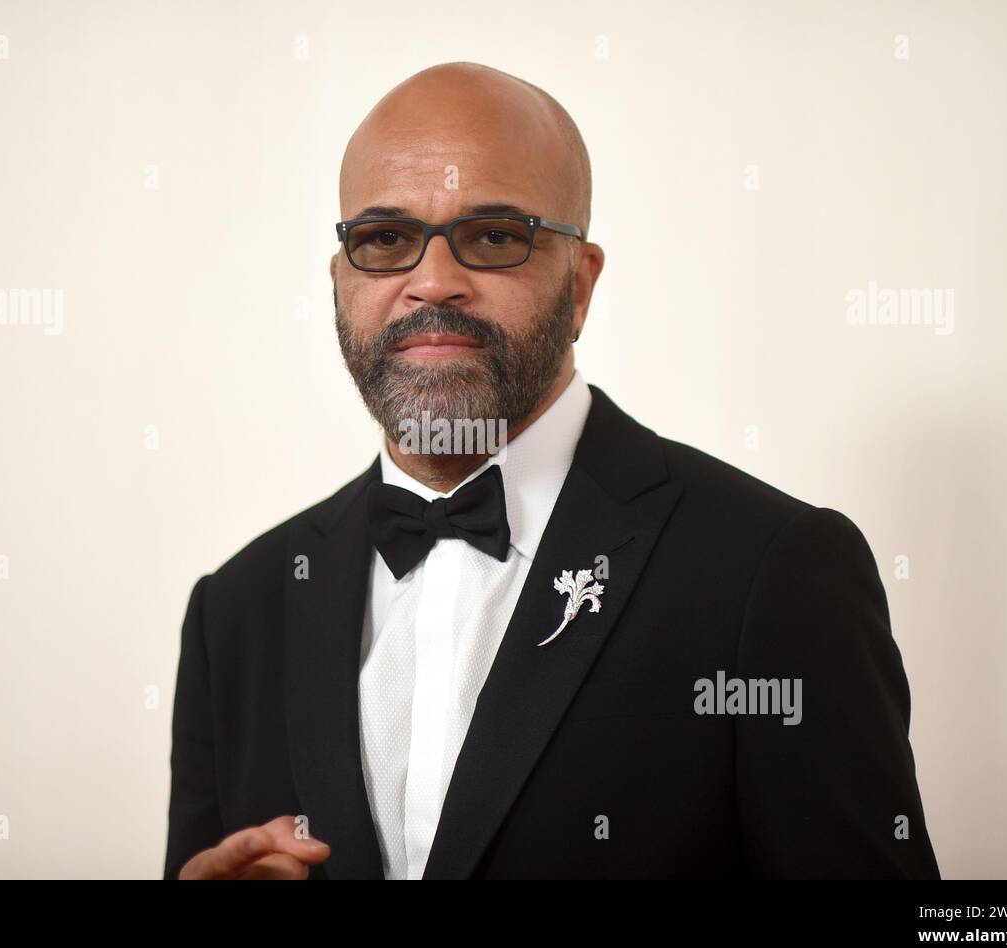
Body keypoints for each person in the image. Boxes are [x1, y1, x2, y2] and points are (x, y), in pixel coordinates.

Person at [164, 61, 941, 880]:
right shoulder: (237, 611)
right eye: (385, 240)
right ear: (340, 279)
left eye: (494, 236)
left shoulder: (772, 571)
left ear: (580, 285)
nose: (432, 282)